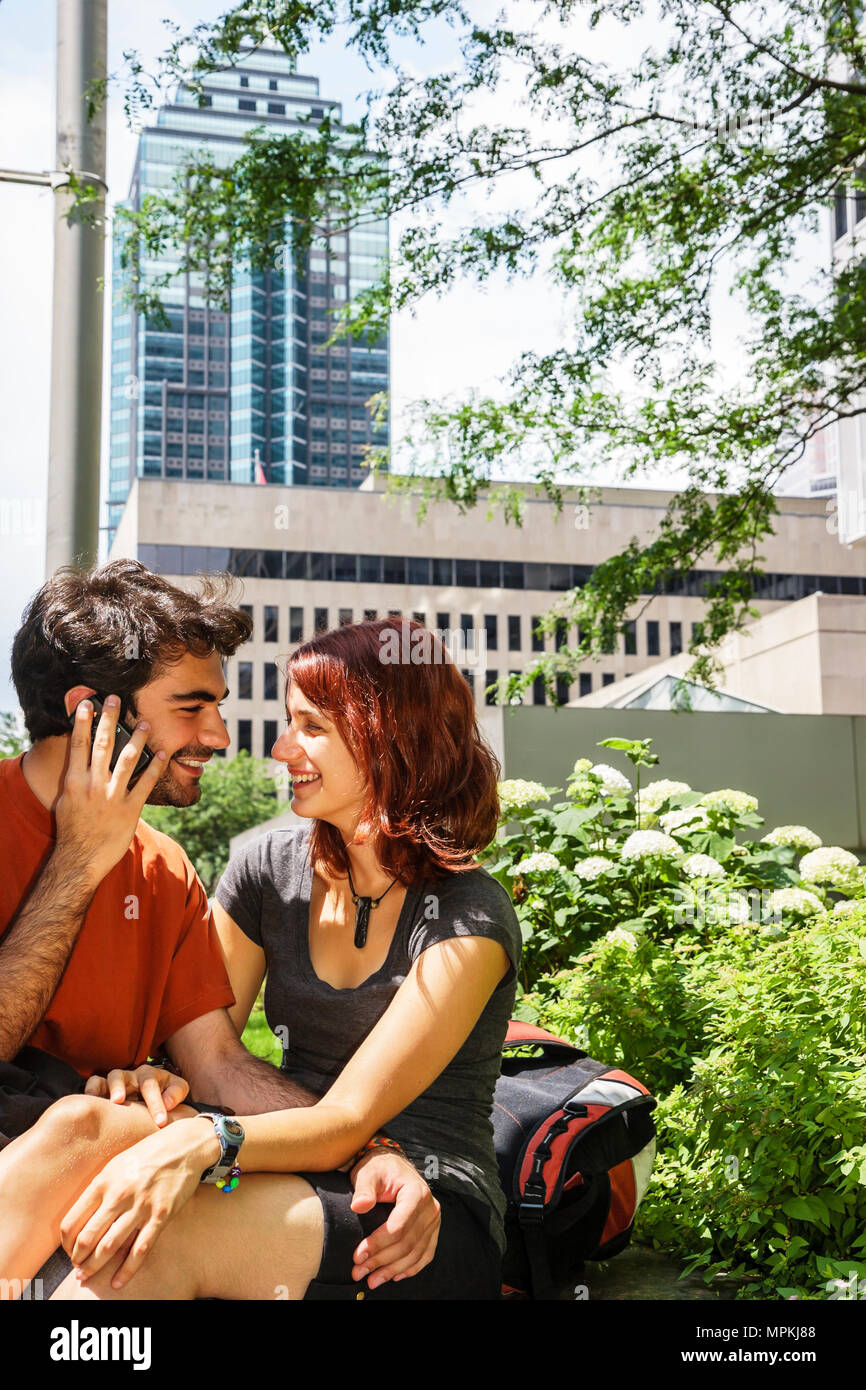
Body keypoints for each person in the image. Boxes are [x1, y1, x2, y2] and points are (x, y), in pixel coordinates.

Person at [49, 618, 522, 1302]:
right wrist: (149, 1084)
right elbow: (200, 1050)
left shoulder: (468, 915)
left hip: (417, 1208)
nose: (279, 747)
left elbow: (350, 1120)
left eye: (311, 726)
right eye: (286, 722)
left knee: (150, 1245)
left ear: (388, 737)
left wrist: (205, 1142)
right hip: (274, 1166)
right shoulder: (268, 871)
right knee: (76, 1135)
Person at [0, 566, 439, 1297]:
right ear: (89, 714)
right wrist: (77, 863)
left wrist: (370, 1150)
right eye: (190, 708)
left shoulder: (166, 869)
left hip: (83, 1187)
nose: (220, 735)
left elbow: (219, 1066)